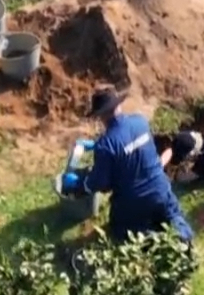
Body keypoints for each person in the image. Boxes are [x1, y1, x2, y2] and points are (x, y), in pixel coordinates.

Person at [83, 87, 193, 244]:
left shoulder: (105, 145)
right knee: (172, 215)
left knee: (121, 230)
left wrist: (83, 184)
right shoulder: (140, 121)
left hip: (134, 202)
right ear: (118, 106)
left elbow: (101, 183)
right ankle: (183, 236)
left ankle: (158, 239)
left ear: (101, 115)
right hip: (160, 188)